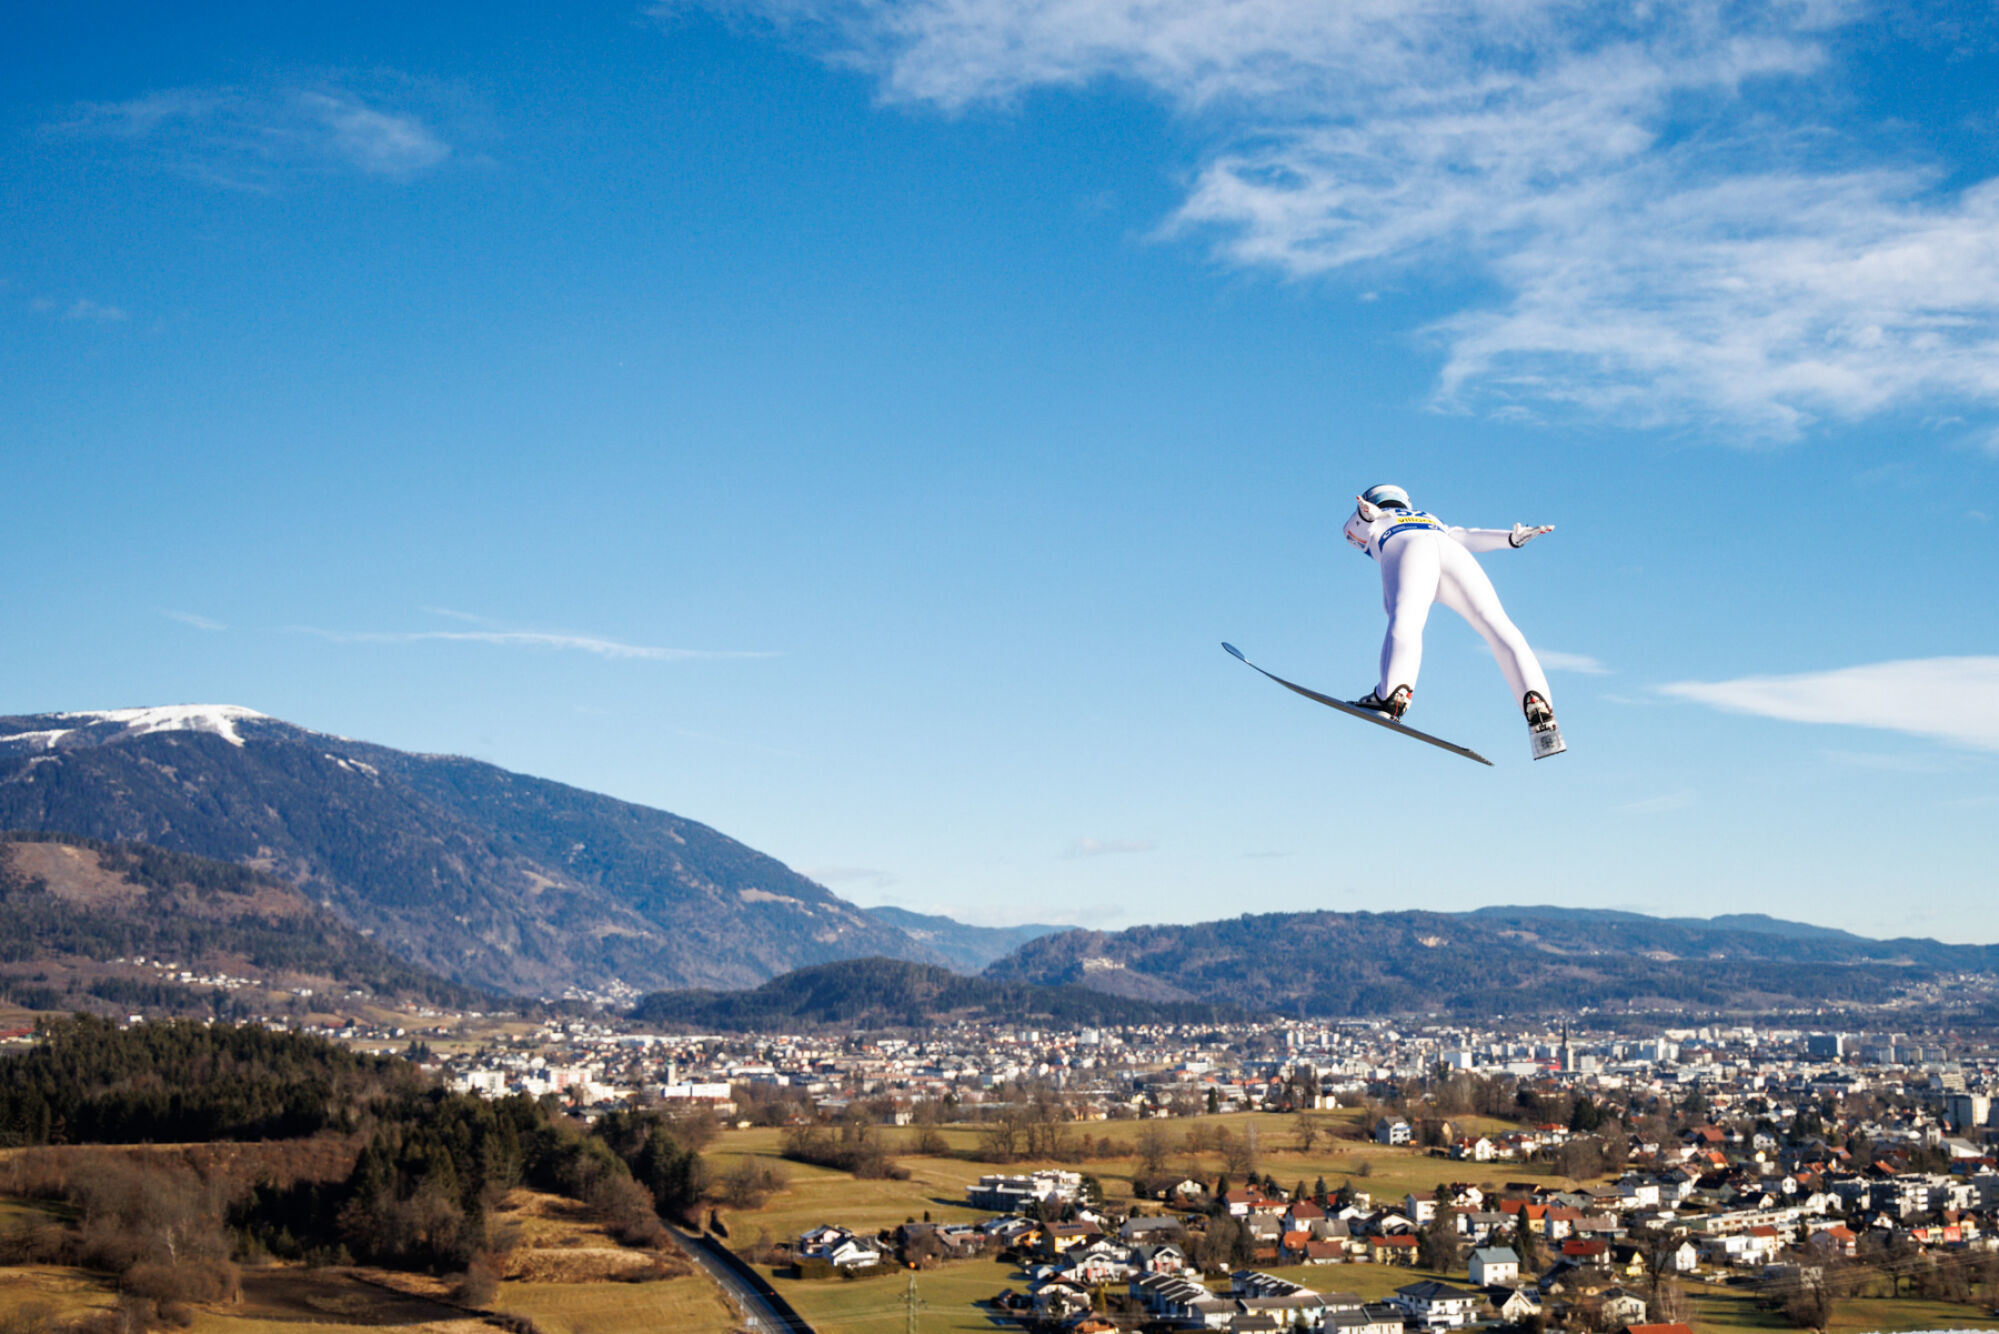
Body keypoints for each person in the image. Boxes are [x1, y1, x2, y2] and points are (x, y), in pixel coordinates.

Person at [1341, 483, 1566, 758]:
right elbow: (1467, 536)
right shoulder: (1430, 518)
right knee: (1497, 625)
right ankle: (1539, 709)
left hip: (1408, 548)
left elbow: (1352, 533)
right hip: (1452, 553)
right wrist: (1509, 539)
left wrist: (1365, 516)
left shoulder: (1379, 518)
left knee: (1406, 618)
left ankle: (1392, 697)